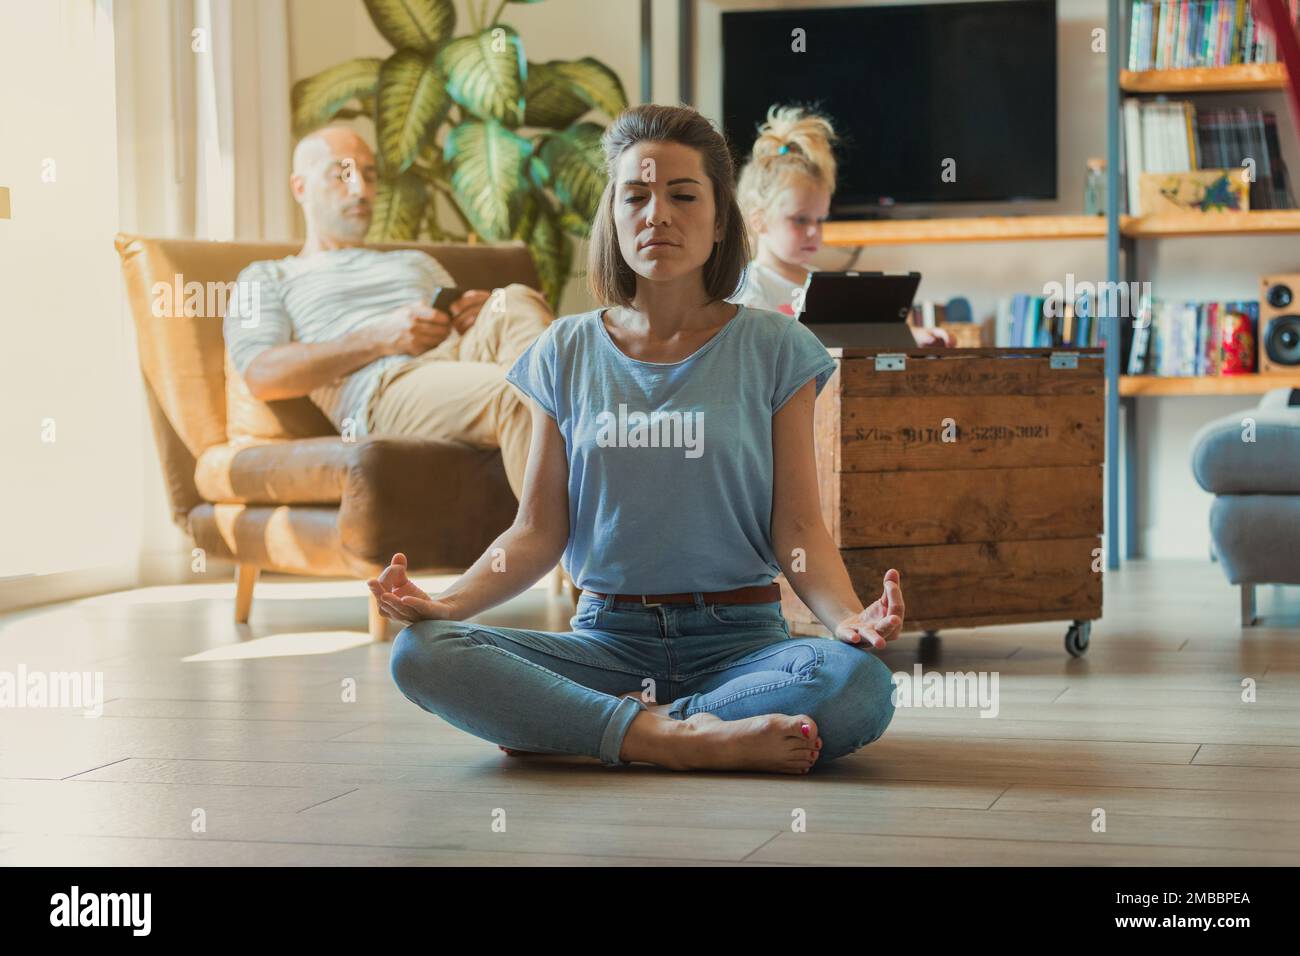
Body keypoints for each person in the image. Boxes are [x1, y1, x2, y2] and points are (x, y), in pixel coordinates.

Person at [372, 104, 902, 774]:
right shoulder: (563, 349)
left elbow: (797, 528)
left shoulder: (777, 347)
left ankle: (595, 725)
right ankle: (672, 738)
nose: (658, 215)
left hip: (741, 644)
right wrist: (444, 604)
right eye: (636, 196)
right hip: (607, 644)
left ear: (720, 219)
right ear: (613, 217)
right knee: (421, 652)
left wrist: (847, 618)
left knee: (857, 685)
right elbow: (536, 532)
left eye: (683, 195)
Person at [222, 126, 554, 500]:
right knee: (517, 392)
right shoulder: (265, 277)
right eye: (341, 174)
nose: (361, 190)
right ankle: (563, 534)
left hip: (459, 360)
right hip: (386, 387)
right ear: (300, 187)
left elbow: (479, 327)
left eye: (370, 175)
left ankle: (556, 397)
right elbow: (262, 374)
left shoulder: (414, 261)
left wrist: (477, 311)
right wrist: (380, 339)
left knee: (514, 299)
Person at [732, 105, 954, 347]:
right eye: (800, 219)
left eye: (820, 220)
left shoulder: (826, 285)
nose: (814, 231)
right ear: (759, 221)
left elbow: (864, 335)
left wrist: (915, 337)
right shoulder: (750, 288)